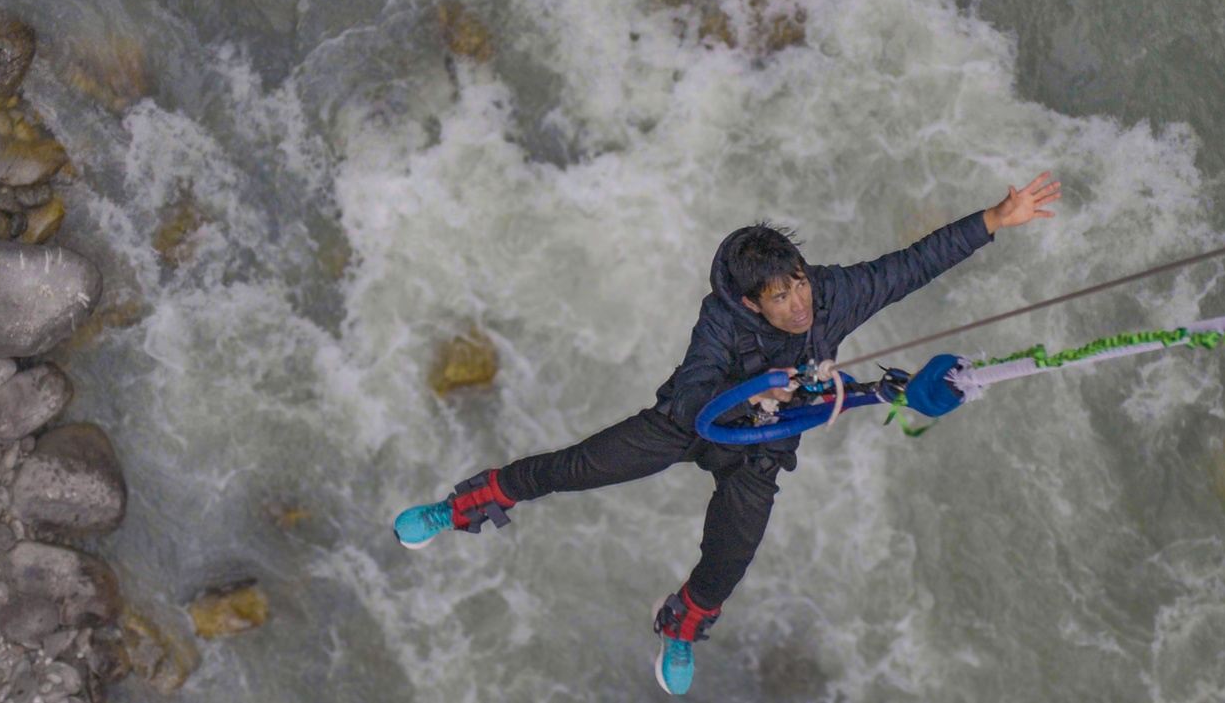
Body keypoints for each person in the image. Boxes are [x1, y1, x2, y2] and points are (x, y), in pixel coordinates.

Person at [394, 172, 1062, 695]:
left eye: (798, 282)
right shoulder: (720, 320)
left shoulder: (830, 295)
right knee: (571, 467)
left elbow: (910, 264)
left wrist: (996, 219)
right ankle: (464, 505)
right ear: (751, 302)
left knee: (728, 561)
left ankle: (680, 622)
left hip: (762, 449)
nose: (798, 304)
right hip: (690, 426)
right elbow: (691, 391)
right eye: (780, 296)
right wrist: (749, 390)